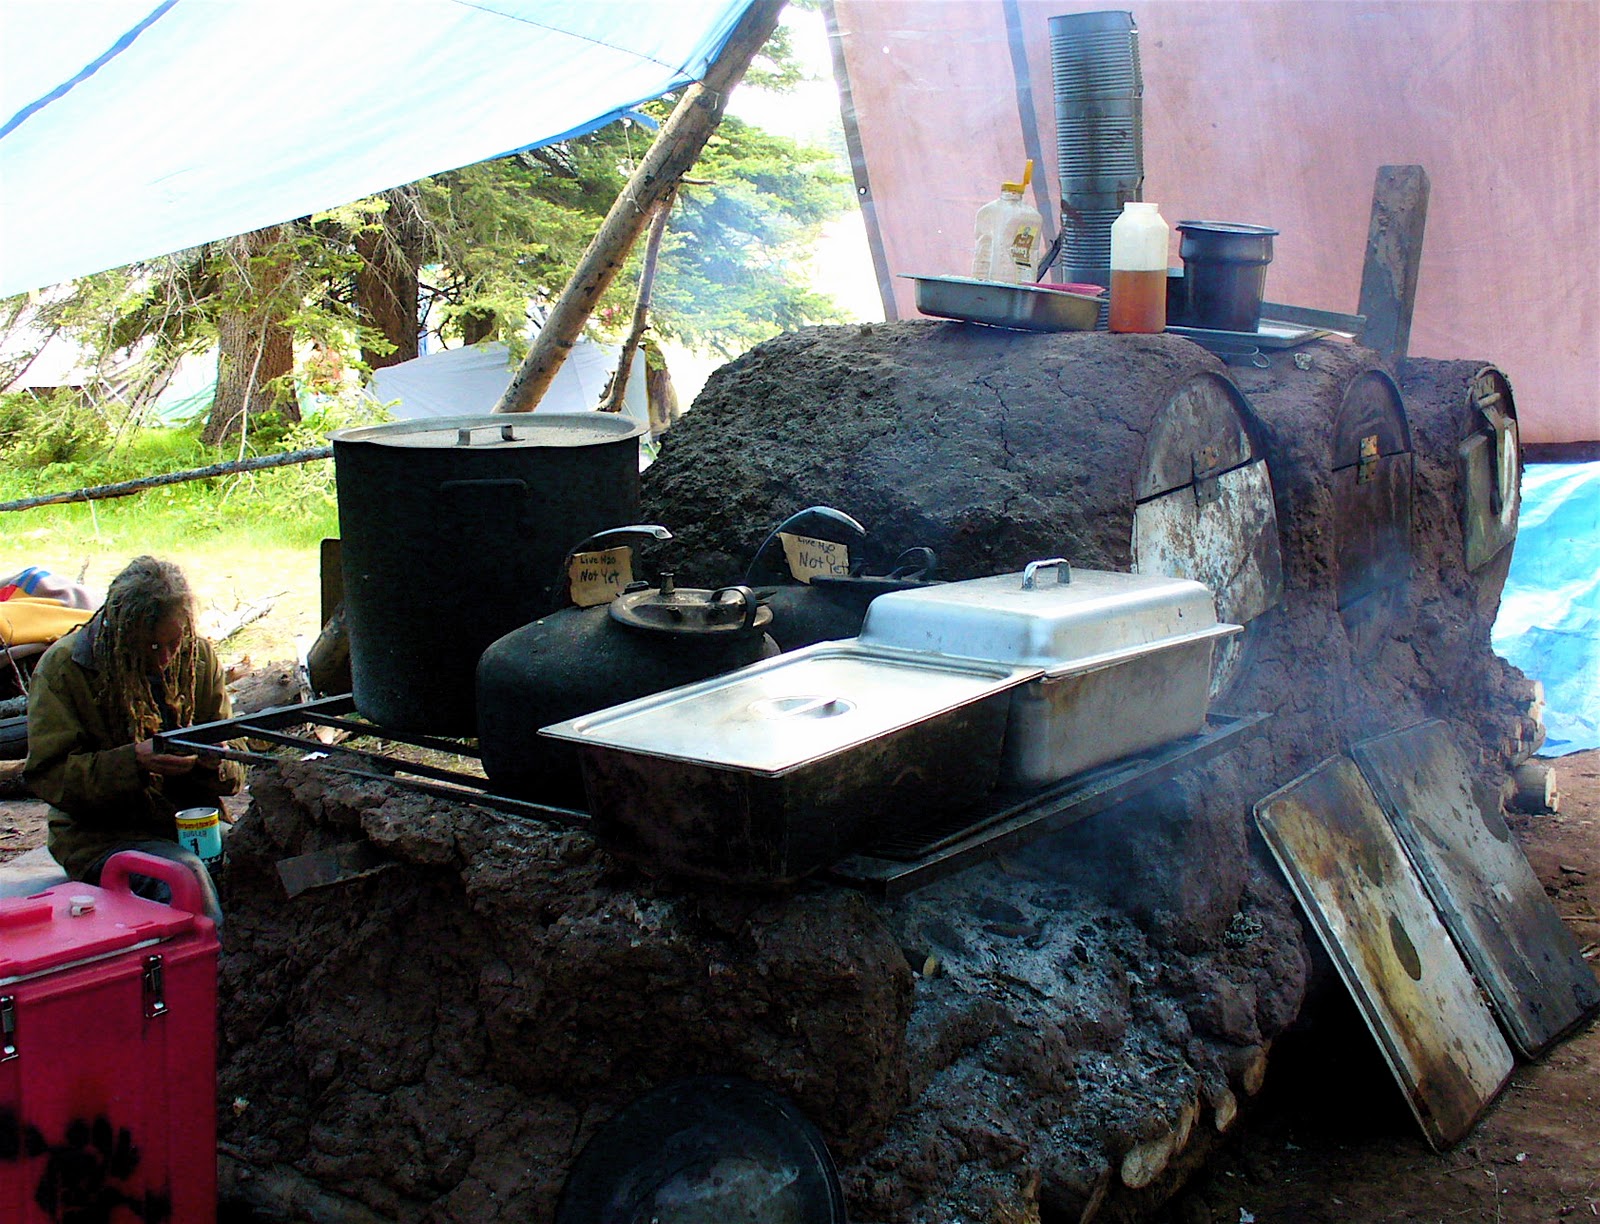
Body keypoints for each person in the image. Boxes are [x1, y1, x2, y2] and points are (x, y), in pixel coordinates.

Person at [24, 555, 243, 926]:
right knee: (185, 881)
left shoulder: (197, 658)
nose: (164, 659)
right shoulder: (64, 668)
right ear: (119, 631)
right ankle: (211, 977)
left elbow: (235, 762)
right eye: (151, 647)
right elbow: (50, 777)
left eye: (174, 643)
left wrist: (215, 760)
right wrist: (133, 762)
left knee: (256, 858)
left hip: (190, 824)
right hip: (101, 839)